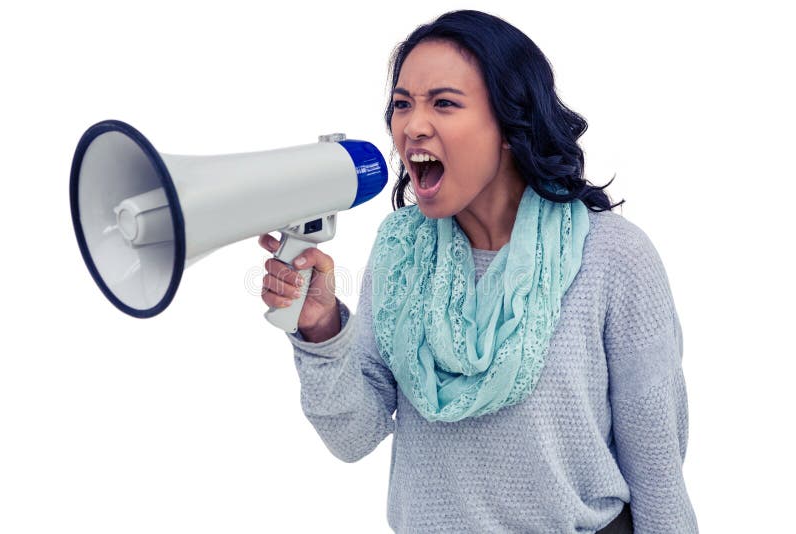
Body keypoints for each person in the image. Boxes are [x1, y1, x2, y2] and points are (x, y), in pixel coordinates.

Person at [259, 9, 698, 534]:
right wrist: (321, 327)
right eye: (402, 104)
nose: (412, 126)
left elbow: (658, 476)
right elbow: (354, 437)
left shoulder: (614, 256)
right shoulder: (400, 249)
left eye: (444, 103)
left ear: (510, 125)